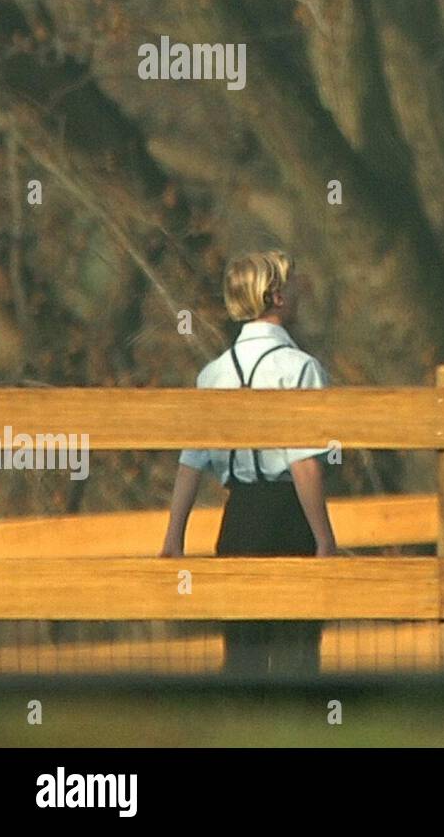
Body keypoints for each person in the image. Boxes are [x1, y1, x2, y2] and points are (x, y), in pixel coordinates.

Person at [160, 250, 337, 676]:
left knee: (242, 652)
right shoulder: (300, 369)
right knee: (298, 652)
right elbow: (304, 465)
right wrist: (325, 539)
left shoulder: (213, 374)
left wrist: (174, 537)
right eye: (292, 284)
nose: (299, 291)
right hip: (289, 516)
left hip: (237, 518)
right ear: (275, 296)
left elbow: (191, 462)